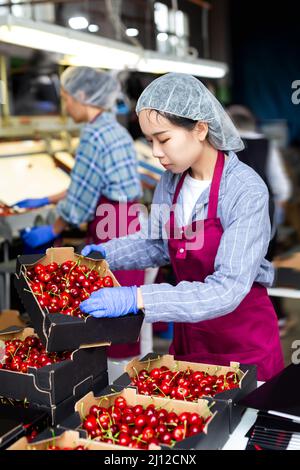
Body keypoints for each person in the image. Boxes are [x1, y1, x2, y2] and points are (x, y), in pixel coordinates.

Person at [78, 73, 284, 381]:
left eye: (164, 139)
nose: (157, 152)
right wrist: (107, 253)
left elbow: (226, 290)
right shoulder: (172, 181)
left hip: (242, 346)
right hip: (190, 340)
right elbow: (158, 243)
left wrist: (138, 298)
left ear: (200, 128)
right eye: (150, 142)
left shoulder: (244, 190)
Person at [17, 66, 144, 359]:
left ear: (83, 95)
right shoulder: (115, 128)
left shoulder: (93, 134)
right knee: (124, 310)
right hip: (126, 221)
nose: (66, 105)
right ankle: (126, 374)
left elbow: (81, 201)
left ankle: (111, 381)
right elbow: (88, 182)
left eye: (66, 98)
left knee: (107, 309)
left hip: (110, 227)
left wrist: (54, 228)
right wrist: (45, 199)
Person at [227, 105, 293, 337]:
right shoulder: (267, 146)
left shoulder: (223, 147)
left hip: (228, 221)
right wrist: (275, 216)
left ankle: (236, 320)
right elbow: (282, 189)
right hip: (265, 219)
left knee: (231, 267)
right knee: (264, 267)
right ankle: (274, 319)